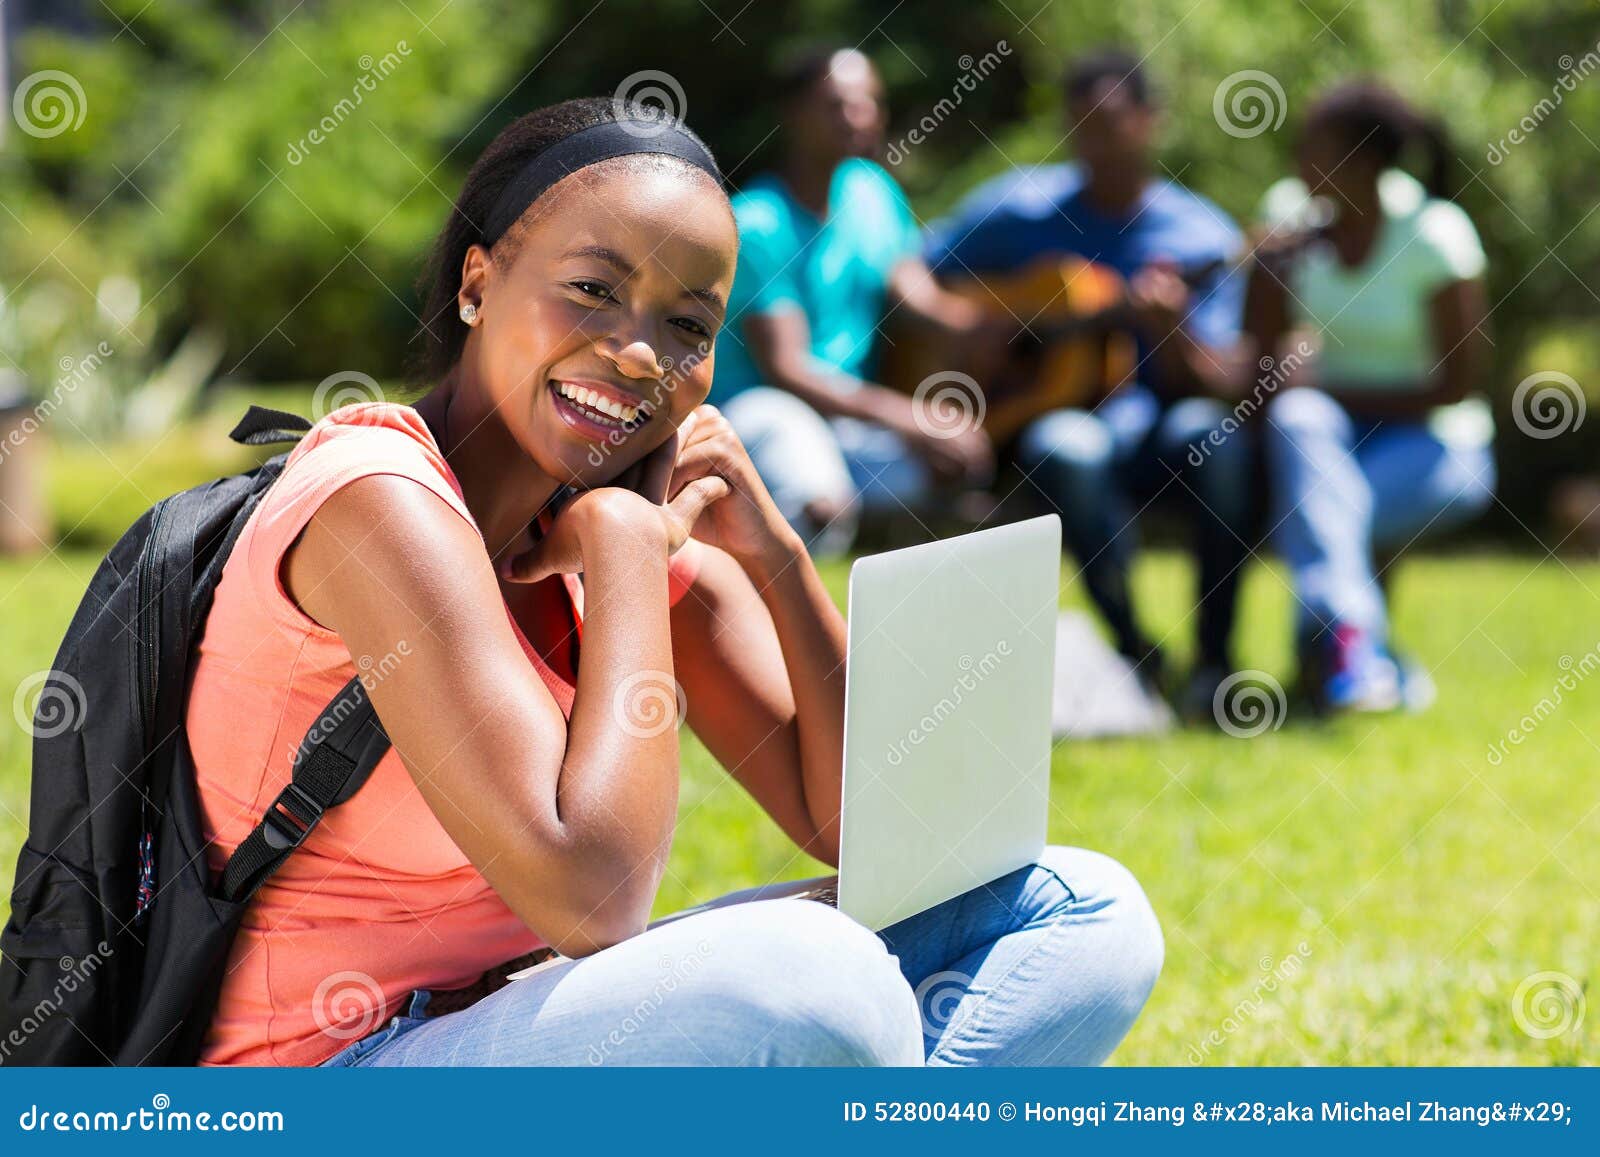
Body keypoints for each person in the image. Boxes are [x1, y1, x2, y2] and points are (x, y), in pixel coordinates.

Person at [185, 97, 1162, 1067]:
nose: (641, 353)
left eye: (689, 322)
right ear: (478, 282)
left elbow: (872, 831)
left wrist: (775, 555)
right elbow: (595, 899)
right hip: (329, 1073)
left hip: (513, 1020)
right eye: (592, 289)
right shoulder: (377, 497)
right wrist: (623, 541)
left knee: (1083, 911)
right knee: (822, 980)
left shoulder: (617, 526)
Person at [924, 50, 1253, 714]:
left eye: (1108, 124)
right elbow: (910, 265)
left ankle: (1214, 661)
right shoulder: (1019, 209)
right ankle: (1134, 652)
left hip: (1162, 430)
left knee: (1214, 436)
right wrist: (969, 328)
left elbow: (1219, 379)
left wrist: (1171, 330)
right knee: (1065, 444)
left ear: (1150, 121)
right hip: (1059, 429)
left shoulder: (1201, 233)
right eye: (1079, 127)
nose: (1092, 144)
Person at [1247, 81, 1495, 713]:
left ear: (1364, 163)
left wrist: (1331, 389)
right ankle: (1366, 663)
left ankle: (1346, 655)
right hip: (1326, 440)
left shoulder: (1435, 234)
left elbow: (1457, 387)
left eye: (1315, 149)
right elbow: (1262, 366)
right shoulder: (1290, 214)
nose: (1298, 162)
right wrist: (1267, 276)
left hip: (1437, 445)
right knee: (1299, 416)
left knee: (1325, 511)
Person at [710, 47, 1008, 557]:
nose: (860, 116)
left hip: (848, 415)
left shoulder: (873, 190)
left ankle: (843, 519)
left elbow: (917, 295)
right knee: (821, 506)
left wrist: (991, 326)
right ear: (794, 114)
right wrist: (911, 418)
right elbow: (788, 370)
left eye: (870, 102)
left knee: (955, 465)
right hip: (764, 407)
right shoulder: (758, 223)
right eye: (838, 104)